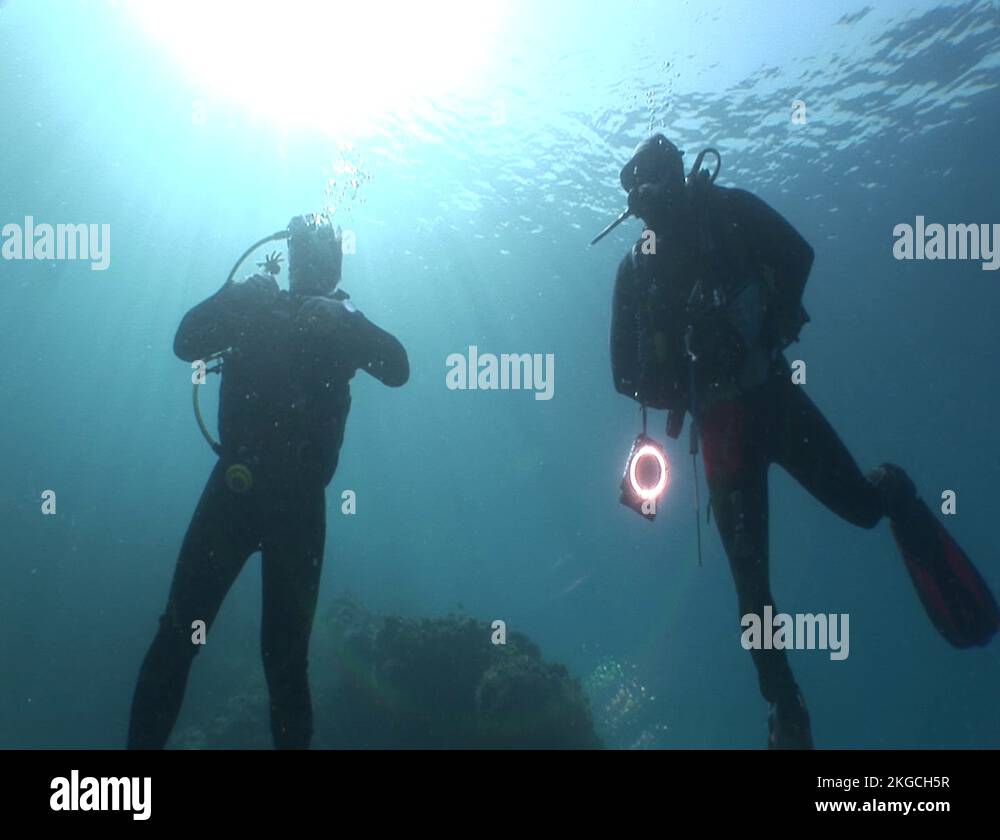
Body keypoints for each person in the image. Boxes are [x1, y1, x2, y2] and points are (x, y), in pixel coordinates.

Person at [604, 134, 999, 748]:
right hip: (720, 423)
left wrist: (765, 325)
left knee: (862, 510)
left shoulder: (726, 212)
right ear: (636, 203)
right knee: (749, 579)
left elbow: (798, 254)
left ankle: (893, 494)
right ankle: (786, 708)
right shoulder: (637, 270)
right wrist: (689, 374)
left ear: (681, 178)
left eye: (663, 184)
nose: (657, 203)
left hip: (771, 397)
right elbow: (624, 375)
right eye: (646, 194)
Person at [128, 214, 409, 749]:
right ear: (293, 258)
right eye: (306, 254)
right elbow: (185, 343)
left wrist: (346, 322)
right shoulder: (256, 308)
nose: (313, 265)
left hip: (295, 508)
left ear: (335, 266)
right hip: (238, 490)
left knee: (282, 659)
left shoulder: (343, 323)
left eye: (323, 256)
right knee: (180, 635)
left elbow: (398, 367)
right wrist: (229, 296)